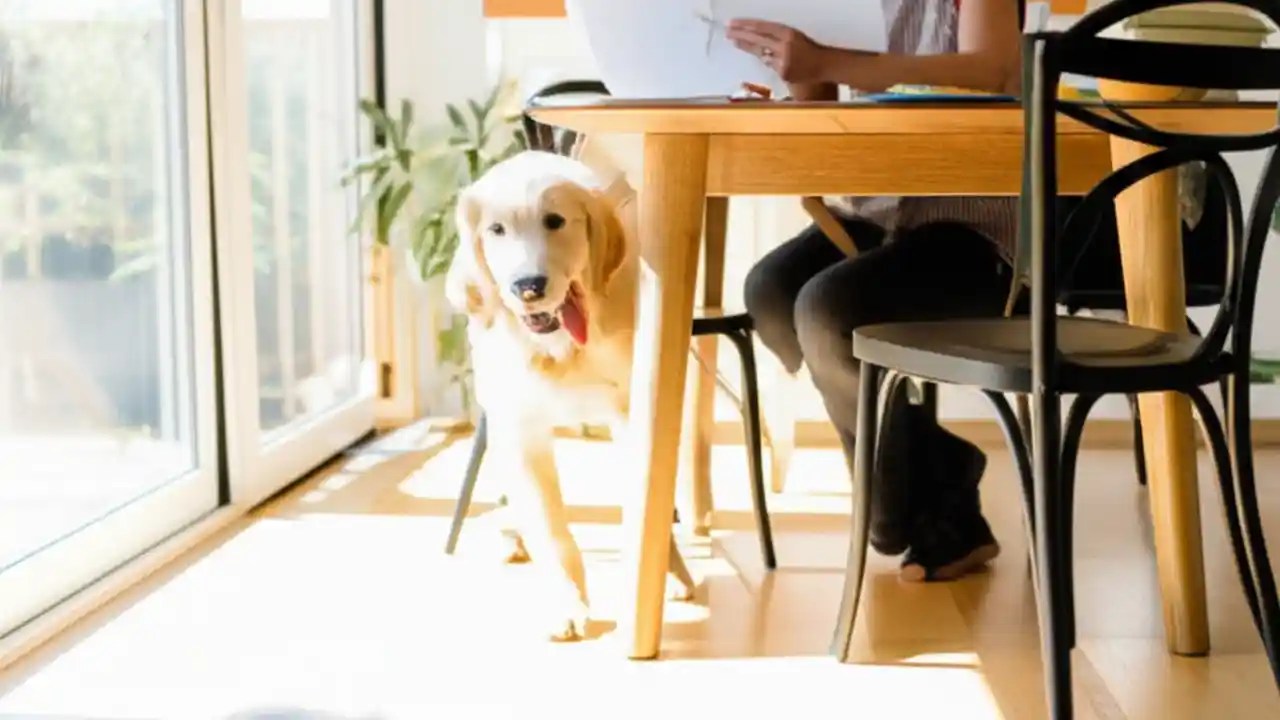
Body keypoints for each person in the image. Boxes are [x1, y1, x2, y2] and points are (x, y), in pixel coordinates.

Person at [726, 0, 1026, 582]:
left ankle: (908, 500)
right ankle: (943, 471)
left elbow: (991, 69)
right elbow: (818, 101)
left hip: (972, 229)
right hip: (870, 215)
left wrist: (828, 58)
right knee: (771, 291)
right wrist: (791, 84)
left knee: (827, 310)